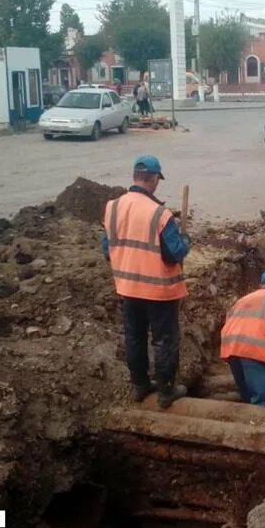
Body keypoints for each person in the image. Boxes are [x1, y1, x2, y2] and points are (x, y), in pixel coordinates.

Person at [101, 156, 191, 408]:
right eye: (157, 180)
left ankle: (140, 385)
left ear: (134, 177)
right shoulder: (159, 214)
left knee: (135, 337)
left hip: (128, 288)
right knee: (164, 340)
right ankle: (166, 391)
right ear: (153, 179)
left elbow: (107, 249)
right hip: (159, 291)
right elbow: (174, 254)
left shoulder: (112, 208)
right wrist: (185, 242)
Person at [219, 270, 265, 407]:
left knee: (246, 395)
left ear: (261, 284)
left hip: (230, 346)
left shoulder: (244, 299)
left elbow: (229, 319)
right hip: (254, 348)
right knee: (261, 401)